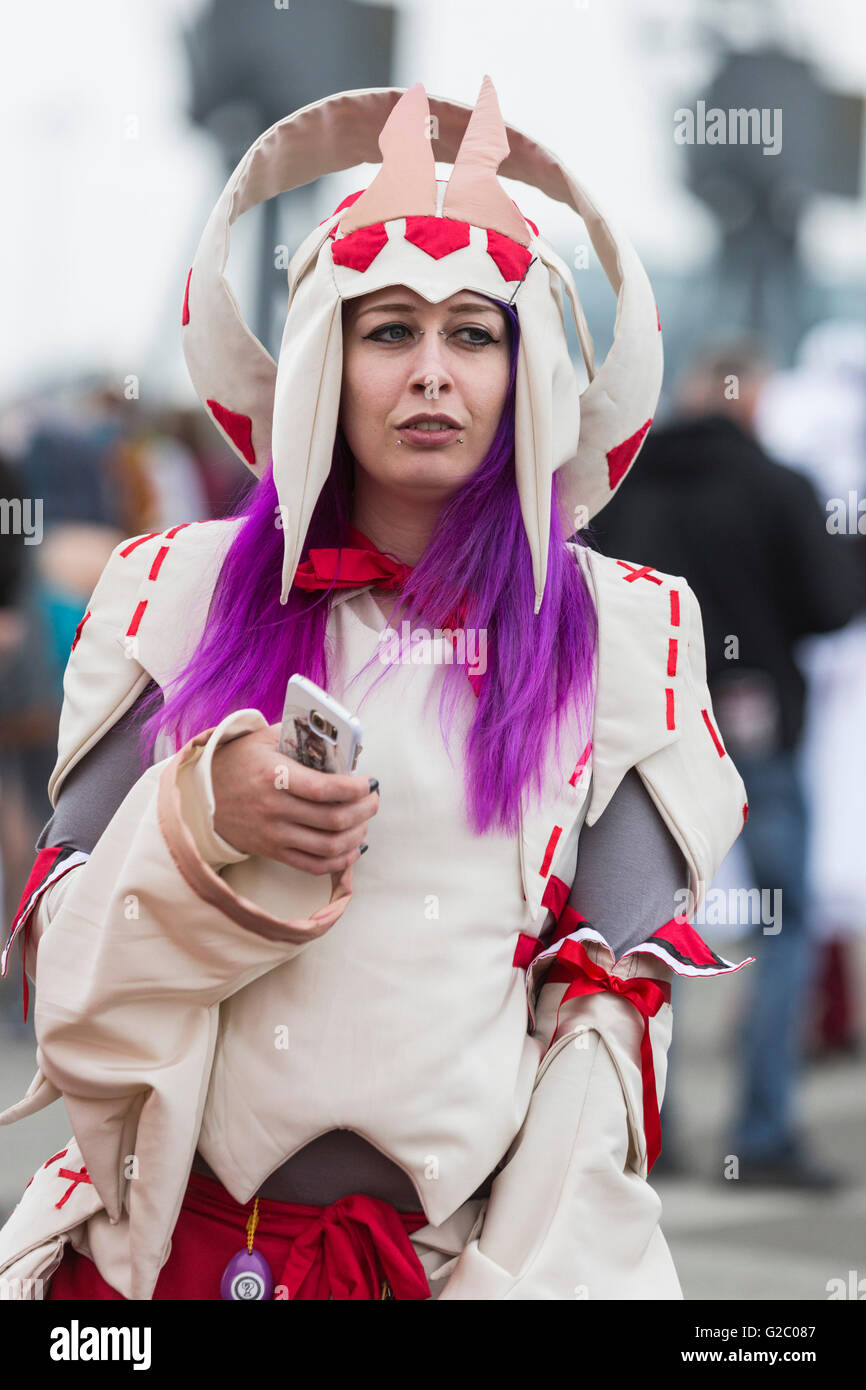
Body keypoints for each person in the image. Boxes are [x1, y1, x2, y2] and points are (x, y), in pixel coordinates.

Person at [0, 79, 750, 1301]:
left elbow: (601, 1036)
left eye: (474, 332)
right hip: (154, 1262)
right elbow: (58, 961)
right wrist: (197, 822)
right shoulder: (174, 595)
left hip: (441, 1269)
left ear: (532, 366)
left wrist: (511, 1282)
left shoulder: (624, 632)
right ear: (319, 360)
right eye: (388, 329)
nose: (431, 376)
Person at [591, 340, 862, 1189]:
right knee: (781, 928)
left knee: (645, 928)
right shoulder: (778, 486)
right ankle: (765, 1131)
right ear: (752, 398)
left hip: (647, 737)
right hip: (761, 731)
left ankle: (646, 1131)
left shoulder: (626, 483)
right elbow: (832, 603)